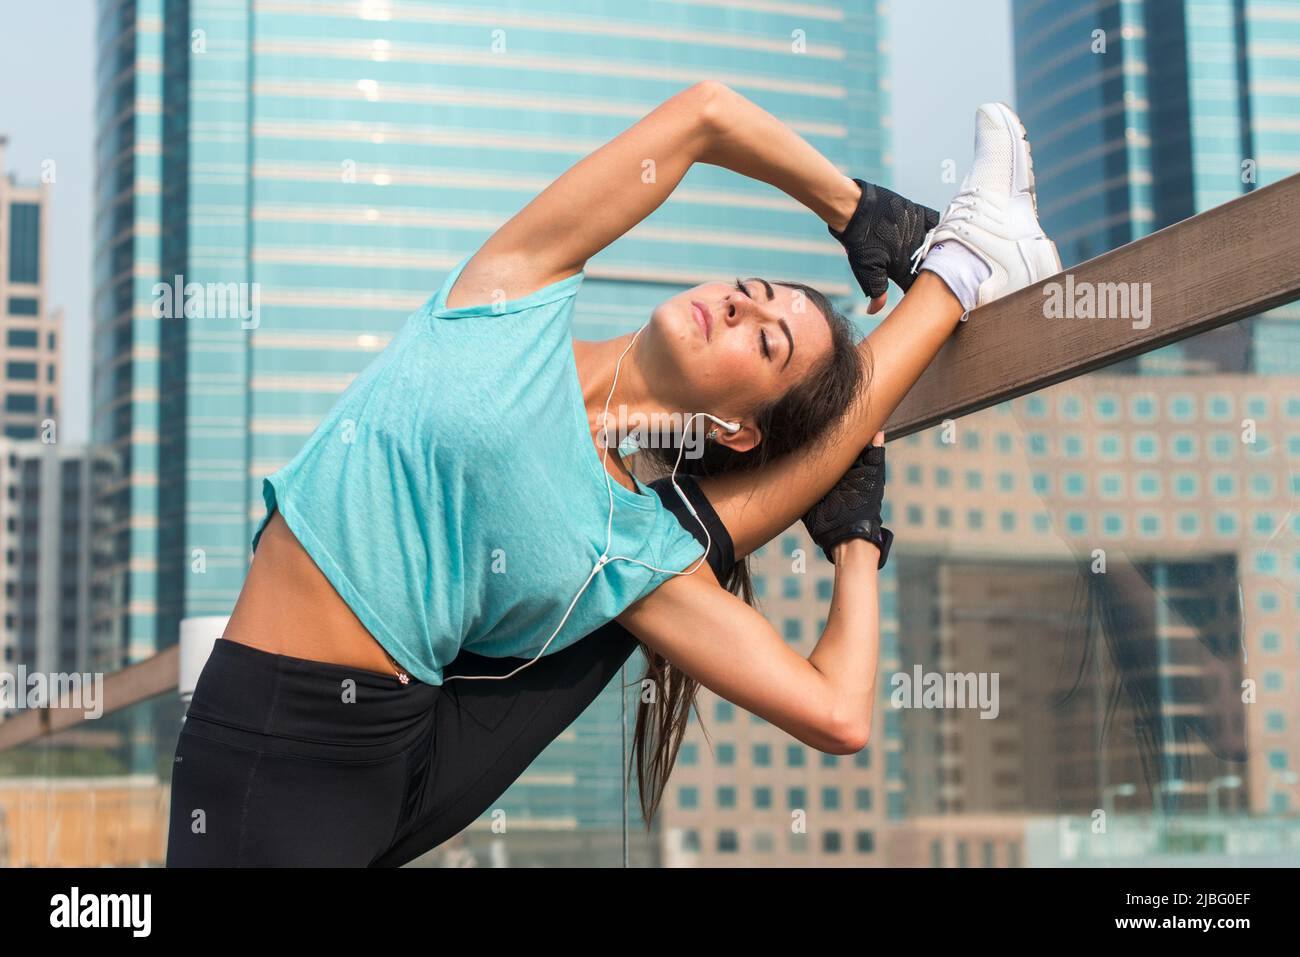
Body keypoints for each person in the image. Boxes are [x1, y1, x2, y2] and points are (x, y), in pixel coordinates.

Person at [165, 84, 1059, 866]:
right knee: (687, 535)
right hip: (261, 724)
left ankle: (971, 263)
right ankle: (967, 258)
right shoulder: (514, 288)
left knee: (676, 542)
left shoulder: (625, 545)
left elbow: (839, 712)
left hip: (309, 756)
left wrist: (855, 538)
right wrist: (854, 208)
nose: (744, 304)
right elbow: (704, 115)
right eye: (753, 288)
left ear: (740, 431)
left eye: (766, 339)